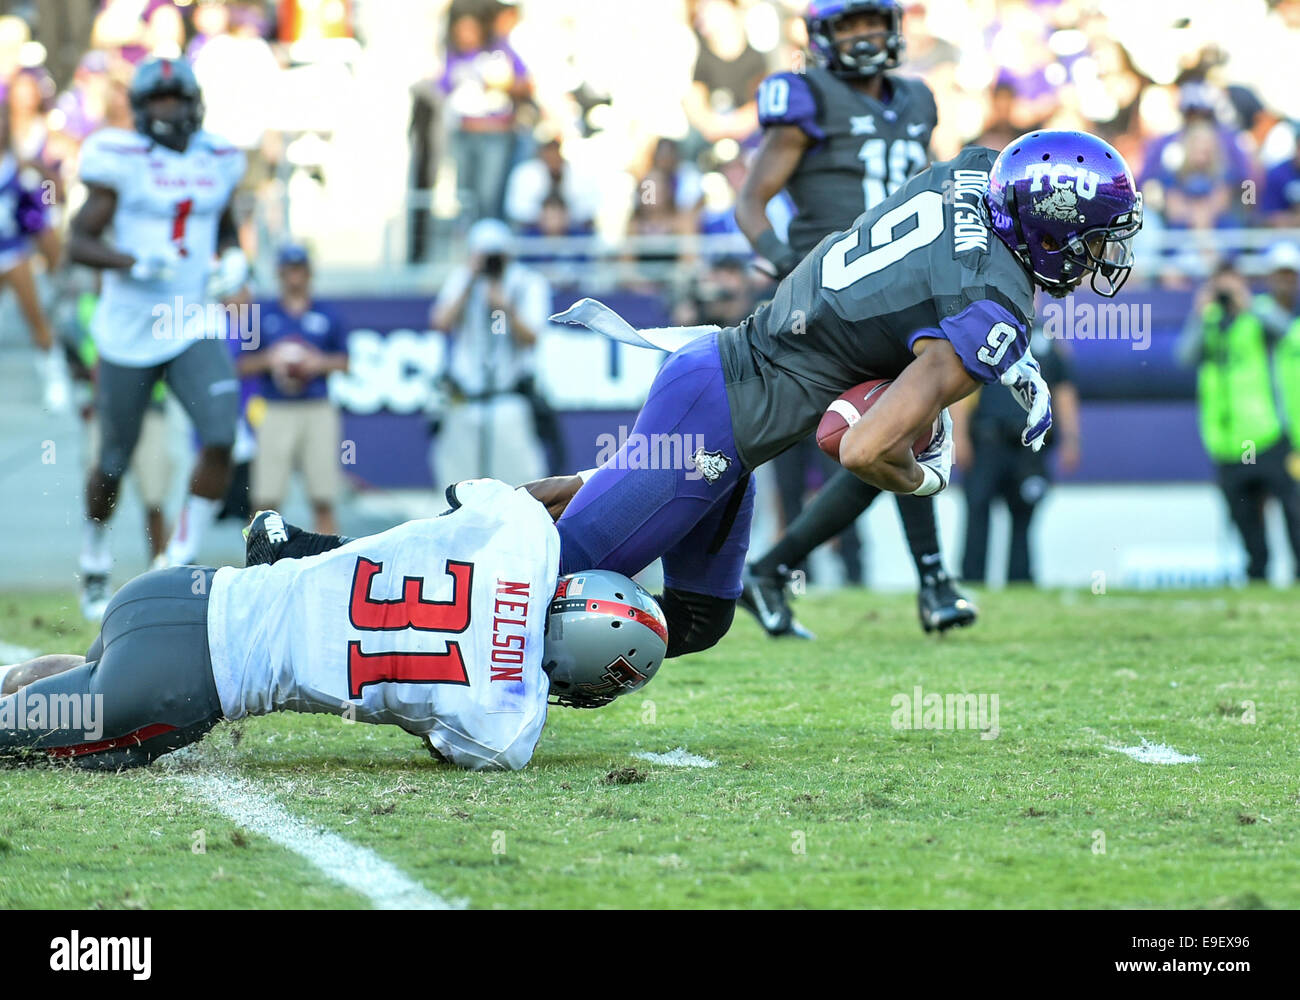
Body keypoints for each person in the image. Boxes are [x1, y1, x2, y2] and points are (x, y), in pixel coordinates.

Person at [543, 130, 1143, 659]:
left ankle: (562, 502)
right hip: (720, 409)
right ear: (1050, 228)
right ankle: (475, 644)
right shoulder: (990, 306)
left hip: (725, 403)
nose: (1098, 259)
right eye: (1091, 241)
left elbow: (946, 274)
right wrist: (925, 476)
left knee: (699, 621)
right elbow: (862, 449)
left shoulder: (976, 174)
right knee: (556, 575)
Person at [0, 480, 666, 772]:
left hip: (185, 588)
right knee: (28, 743)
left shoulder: (522, 539)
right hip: (185, 684)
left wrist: (608, 487)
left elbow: (533, 494)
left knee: (75, 682)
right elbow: (446, 745)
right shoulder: (507, 725)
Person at [734, 0, 970, 636]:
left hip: (900, 283)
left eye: (872, 22)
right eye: (848, 25)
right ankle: (928, 582)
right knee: (887, 426)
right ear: (822, 36)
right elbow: (751, 200)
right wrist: (786, 262)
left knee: (901, 423)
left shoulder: (918, 98)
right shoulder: (804, 96)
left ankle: (782, 569)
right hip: (831, 296)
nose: (864, 35)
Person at [69, 57, 247, 620]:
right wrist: (131, 260)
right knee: (114, 463)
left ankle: (178, 556)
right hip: (128, 328)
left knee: (223, 435)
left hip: (190, 318)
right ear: (145, 109)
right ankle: (95, 554)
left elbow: (219, 223)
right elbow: (77, 240)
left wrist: (235, 257)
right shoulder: (118, 159)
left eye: (177, 99)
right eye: (160, 100)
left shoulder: (217, 157)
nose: (169, 110)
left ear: (193, 102)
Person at [1180, 251, 1300, 581]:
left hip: (1268, 435)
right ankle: (1258, 576)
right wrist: (1199, 314)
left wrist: (1245, 302)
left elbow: (1287, 331)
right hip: (1227, 443)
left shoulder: (1258, 315)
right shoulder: (1210, 322)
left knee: (1293, 513)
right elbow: (1185, 356)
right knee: (1246, 519)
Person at [236, 244, 349, 535]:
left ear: (309, 273)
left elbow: (345, 361)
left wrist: (316, 362)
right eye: (289, 270)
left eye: (299, 269)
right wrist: (271, 358)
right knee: (266, 499)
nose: (294, 277)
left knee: (323, 495)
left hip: (316, 407)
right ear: (280, 274)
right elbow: (241, 364)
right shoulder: (262, 314)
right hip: (275, 407)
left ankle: (329, 561)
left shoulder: (327, 313)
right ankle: (259, 563)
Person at [430, 217, 550, 486]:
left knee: (520, 490)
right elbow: (440, 323)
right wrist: (470, 280)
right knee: (457, 493)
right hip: (465, 400)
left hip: (508, 400)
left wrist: (505, 306)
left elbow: (532, 337)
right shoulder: (463, 279)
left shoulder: (527, 283)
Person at [955, 330, 1081, 585]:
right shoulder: (983, 332)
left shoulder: (1049, 341)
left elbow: (1063, 390)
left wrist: (1071, 438)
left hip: (1030, 447)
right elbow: (960, 385)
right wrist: (958, 435)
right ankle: (971, 581)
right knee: (977, 509)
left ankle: (1021, 581)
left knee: (1024, 515)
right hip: (986, 440)